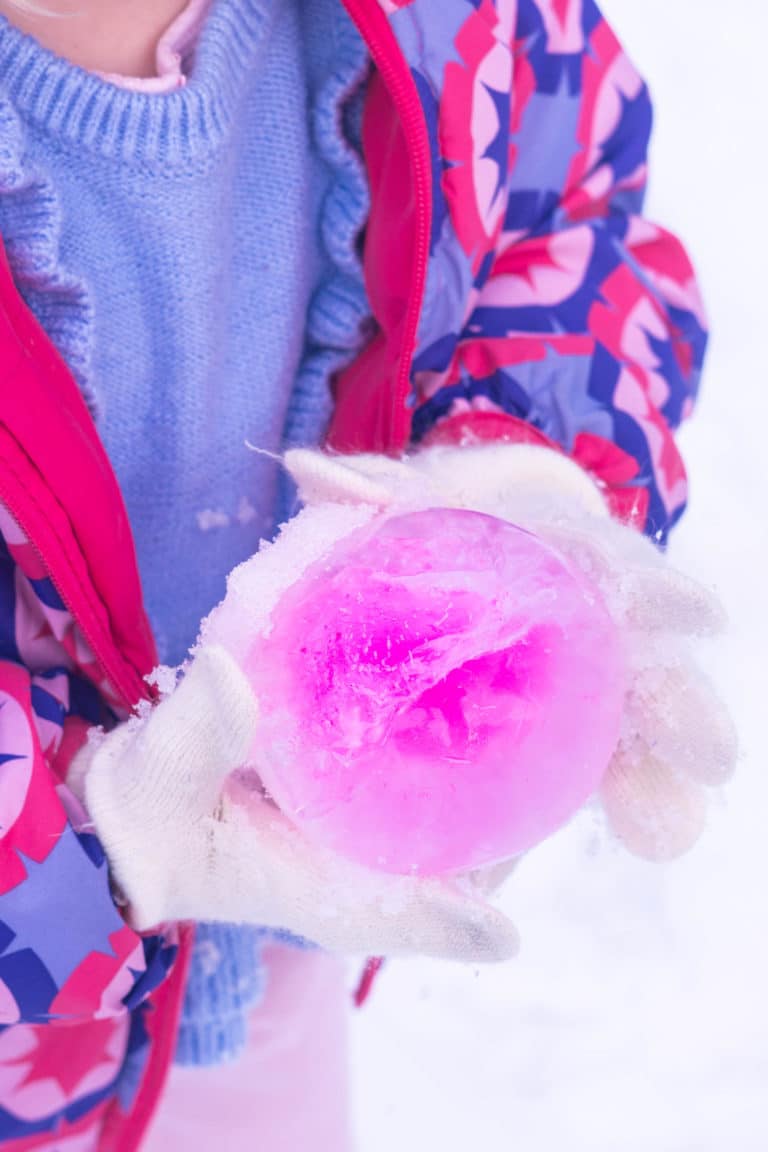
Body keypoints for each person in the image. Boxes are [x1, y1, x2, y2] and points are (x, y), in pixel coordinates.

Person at [0, 0, 735, 1149]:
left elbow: (564, 206)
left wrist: (530, 467)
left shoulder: (457, 21)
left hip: (278, 954)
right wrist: (84, 844)